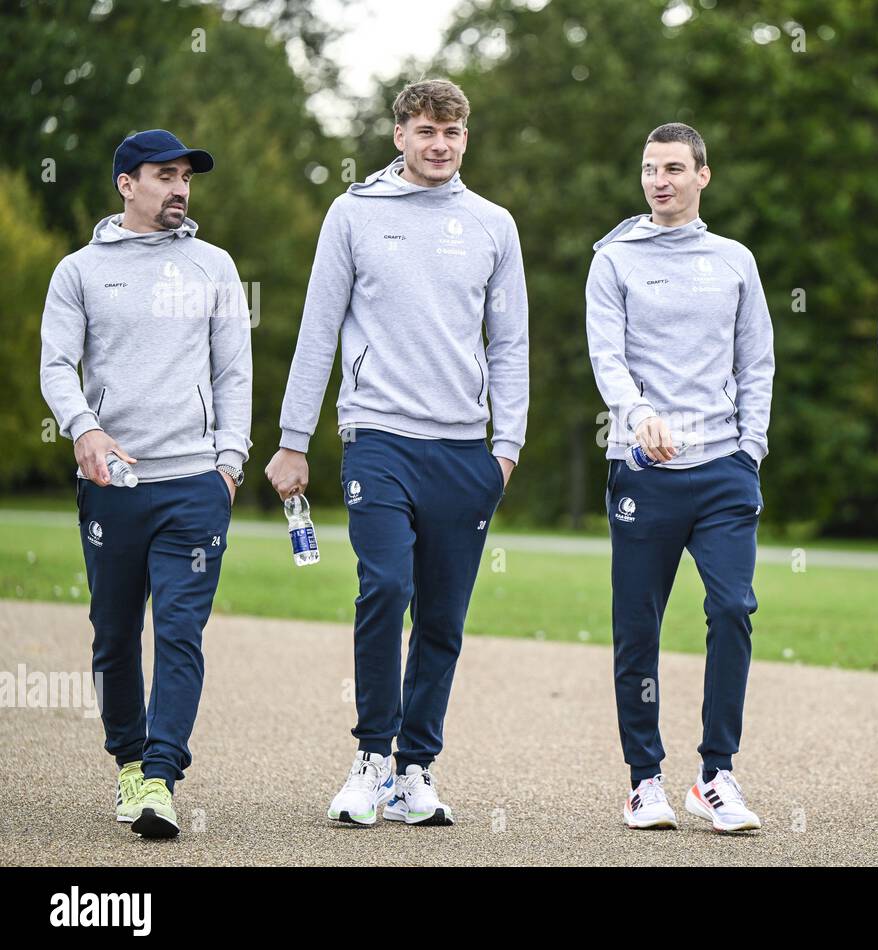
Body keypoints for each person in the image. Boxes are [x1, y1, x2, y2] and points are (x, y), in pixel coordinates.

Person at [265, 79, 528, 827]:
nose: (438, 143)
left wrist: (503, 451)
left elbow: (509, 345)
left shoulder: (492, 225)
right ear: (399, 136)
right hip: (377, 438)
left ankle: (415, 769)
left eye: (451, 131)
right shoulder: (353, 214)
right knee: (385, 587)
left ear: (466, 138)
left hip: (464, 451)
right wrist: (291, 441)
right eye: (423, 130)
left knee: (443, 618)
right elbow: (318, 332)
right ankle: (371, 758)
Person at [39, 129, 252, 838]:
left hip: (195, 484)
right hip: (113, 485)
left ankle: (160, 775)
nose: (180, 188)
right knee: (113, 634)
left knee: (182, 633)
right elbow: (55, 366)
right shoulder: (79, 272)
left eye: (186, 177)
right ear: (127, 183)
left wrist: (229, 465)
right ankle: (128, 760)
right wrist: (84, 428)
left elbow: (233, 374)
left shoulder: (214, 266)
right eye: (165, 176)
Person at [586, 123, 775, 832]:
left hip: (724, 470)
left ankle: (716, 775)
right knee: (638, 629)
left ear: (703, 175)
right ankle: (644, 781)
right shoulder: (614, 260)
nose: (658, 180)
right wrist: (636, 417)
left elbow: (756, 362)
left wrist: (750, 450)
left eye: (672, 168)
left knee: (734, 609)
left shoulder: (734, 261)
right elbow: (608, 358)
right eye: (648, 169)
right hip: (643, 472)